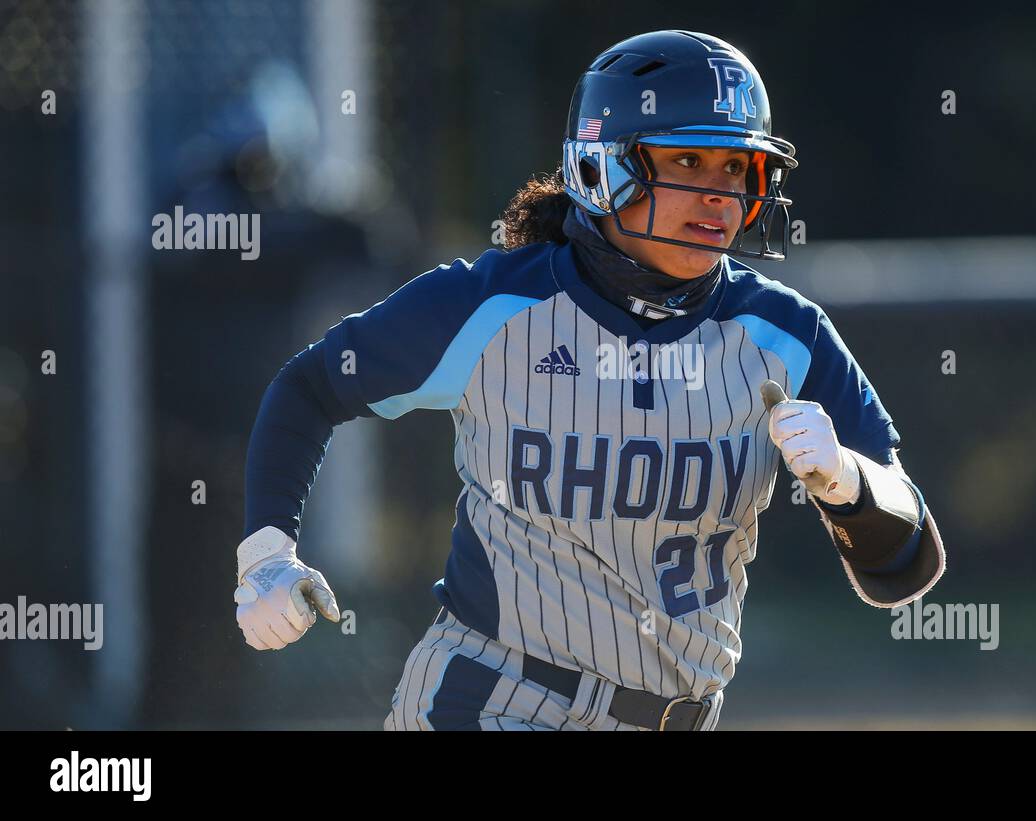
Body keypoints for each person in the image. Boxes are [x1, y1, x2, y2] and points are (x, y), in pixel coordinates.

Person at [233, 29, 946, 731]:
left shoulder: (786, 334)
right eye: (689, 161)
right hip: (490, 699)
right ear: (604, 167)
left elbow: (907, 563)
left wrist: (848, 483)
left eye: (737, 168)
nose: (719, 196)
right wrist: (266, 552)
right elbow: (310, 387)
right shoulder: (494, 307)